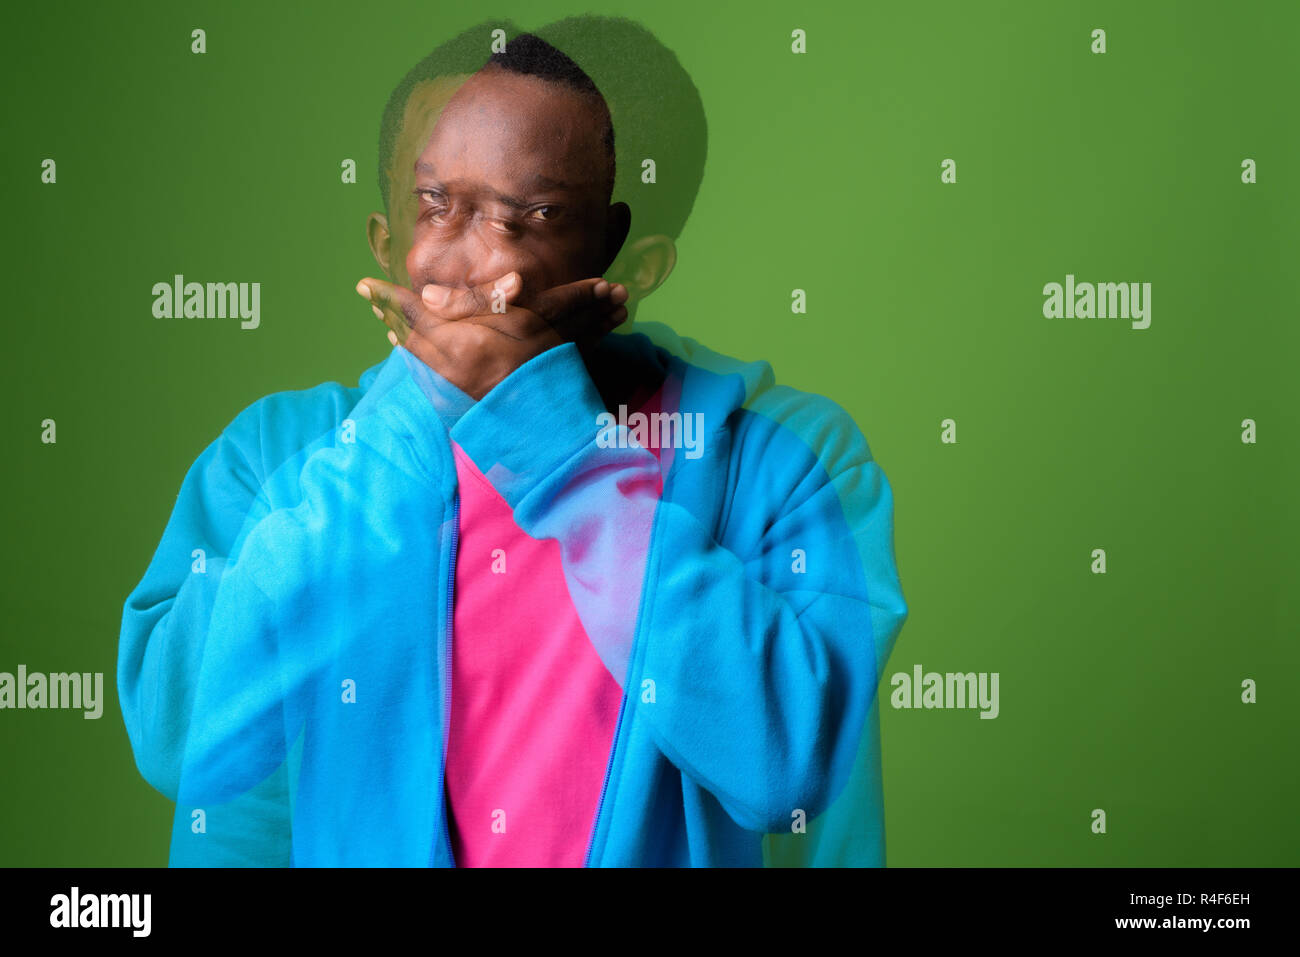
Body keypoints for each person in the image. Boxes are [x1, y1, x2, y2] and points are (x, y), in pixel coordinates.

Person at [117, 20, 908, 867]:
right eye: (436, 205)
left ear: (632, 266)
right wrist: (412, 414)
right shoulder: (277, 455)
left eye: (531, 216)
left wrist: (559, 444)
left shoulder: (786, 465)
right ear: (386, 243)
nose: (478, 260)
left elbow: (791, 769)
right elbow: (182, 738)